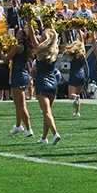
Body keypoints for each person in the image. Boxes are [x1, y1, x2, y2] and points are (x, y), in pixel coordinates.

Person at [28, 15, 62, 145]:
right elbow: (52, 36)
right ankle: (43, 138)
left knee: (46, 112)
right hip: (53, 83)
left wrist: (28, 22)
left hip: (42, 82)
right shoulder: (54, 50)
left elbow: (32, 37)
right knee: (48, 113)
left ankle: (55, 133)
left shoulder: (41, 50)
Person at [8, 28, 34, 137]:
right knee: (18, 104)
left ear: (22, 36)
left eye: (18, 33)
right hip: (23, 74)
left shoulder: (18, 47)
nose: (16, 34)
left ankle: (29, 129)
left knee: (21, 105)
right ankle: (18, 126)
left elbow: (7, 58)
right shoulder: (26, 47)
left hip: (17, 75)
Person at [65, 36, 88, 117]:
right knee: (77, 96)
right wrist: (80, 34)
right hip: (82, 75)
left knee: (71, 95)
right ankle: (77, 112)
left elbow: (65, 45)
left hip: (74, 75)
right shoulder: (83, 54)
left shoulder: (72, 55)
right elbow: (83, 44)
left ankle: (76, 98)